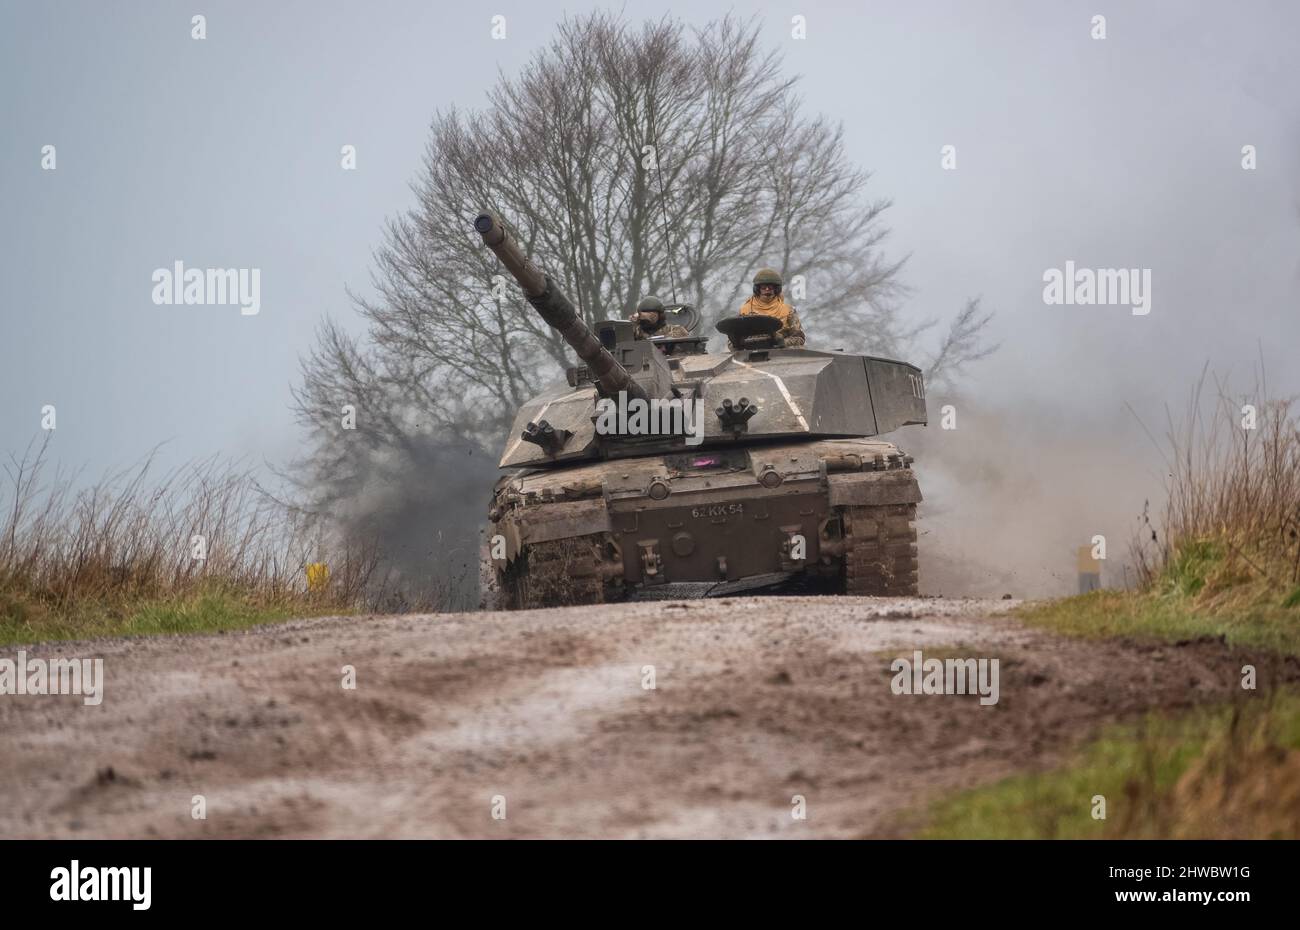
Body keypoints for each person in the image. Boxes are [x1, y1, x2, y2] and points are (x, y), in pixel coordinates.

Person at [736, 268, 805, 347]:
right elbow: (732, 341)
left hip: (781, 354)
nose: (767, 289)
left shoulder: (788, 310)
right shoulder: (745, 310)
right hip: (750, 355)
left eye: (771, 287)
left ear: (777, 289)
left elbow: (800, 338)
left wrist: (782, 342)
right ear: (757, 289)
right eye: (764, 287)